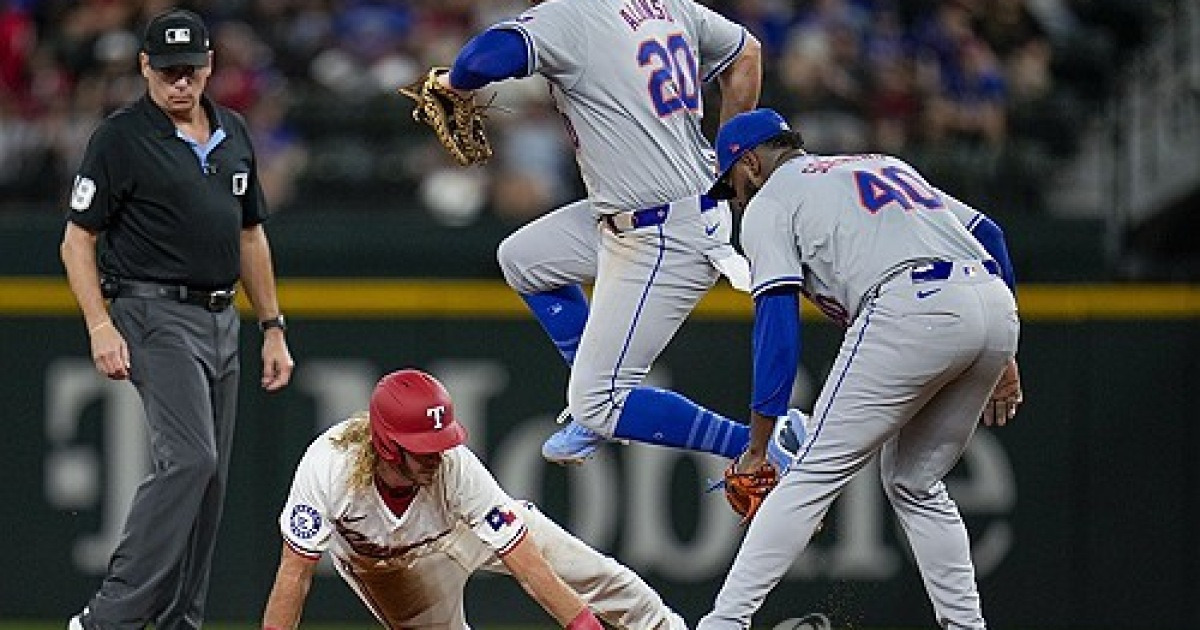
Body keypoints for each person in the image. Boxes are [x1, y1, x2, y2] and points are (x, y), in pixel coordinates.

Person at [697, 109, 1023, 630]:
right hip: (992, 303)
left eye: (731, 182)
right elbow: (991, 234)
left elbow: (777, 329)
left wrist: (758, 446)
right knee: (915, 481)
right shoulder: (880, 164)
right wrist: (1003, 354)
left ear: (752, 163)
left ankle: (724, 623)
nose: (734, 198)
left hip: (912, 305)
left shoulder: (770, 203)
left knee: (810, 473)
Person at [437, 0, 796, 467]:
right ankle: (593, 405)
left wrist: (452, 83)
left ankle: (763, 447)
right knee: (524, 259)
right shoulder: (669, 5)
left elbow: (481, 60)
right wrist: (726, 152)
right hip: (644, 213)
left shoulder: (573, 14)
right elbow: (746, 51)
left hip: (664, 234)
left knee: (599, 401)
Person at [60, 9, 294, 630]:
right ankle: (108, 619)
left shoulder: (233, 131)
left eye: (190, 69)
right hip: (151, 309)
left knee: (208, 487)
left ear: (210, 65)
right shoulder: (120, 138)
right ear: (145, 67)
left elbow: (250, 236)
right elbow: (77, 240)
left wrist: (272, 327)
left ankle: (176, 624)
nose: (180, 82)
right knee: (190, 460)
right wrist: (99, 324)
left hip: (222, 317)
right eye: (167, 71)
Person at [261, 368, 686, 630]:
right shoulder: (328, 467)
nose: (437, 455)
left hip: (462, 528)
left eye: (441, 442)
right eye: (424, 448)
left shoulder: (454, 465)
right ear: (389, 447)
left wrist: (584, 627)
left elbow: (527, 565)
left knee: (602, 575)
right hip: (393, 569)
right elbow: (294, 577)